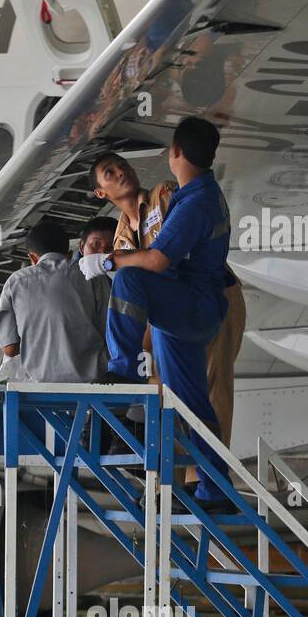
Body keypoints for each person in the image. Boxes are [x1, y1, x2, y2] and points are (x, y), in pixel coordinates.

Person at [79, 117, 236, 509]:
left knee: (130, 279)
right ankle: (214, 491)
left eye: (122, 166)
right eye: (110, 173)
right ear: (101, 192)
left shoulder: (175, 197)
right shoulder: (181, 199)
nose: (123, 173)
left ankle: (121, 373)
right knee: (188, 402)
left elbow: (157, 260)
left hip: (200, 301)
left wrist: (110, 263)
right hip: (174, 308)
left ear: (176, 154)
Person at [0, 220, 109, 386]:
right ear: (69, 254)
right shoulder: (93, 276)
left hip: (39, 386)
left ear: (32, 257)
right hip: (91, 383)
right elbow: (108, 330)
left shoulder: (16, 282)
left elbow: (10, 349)